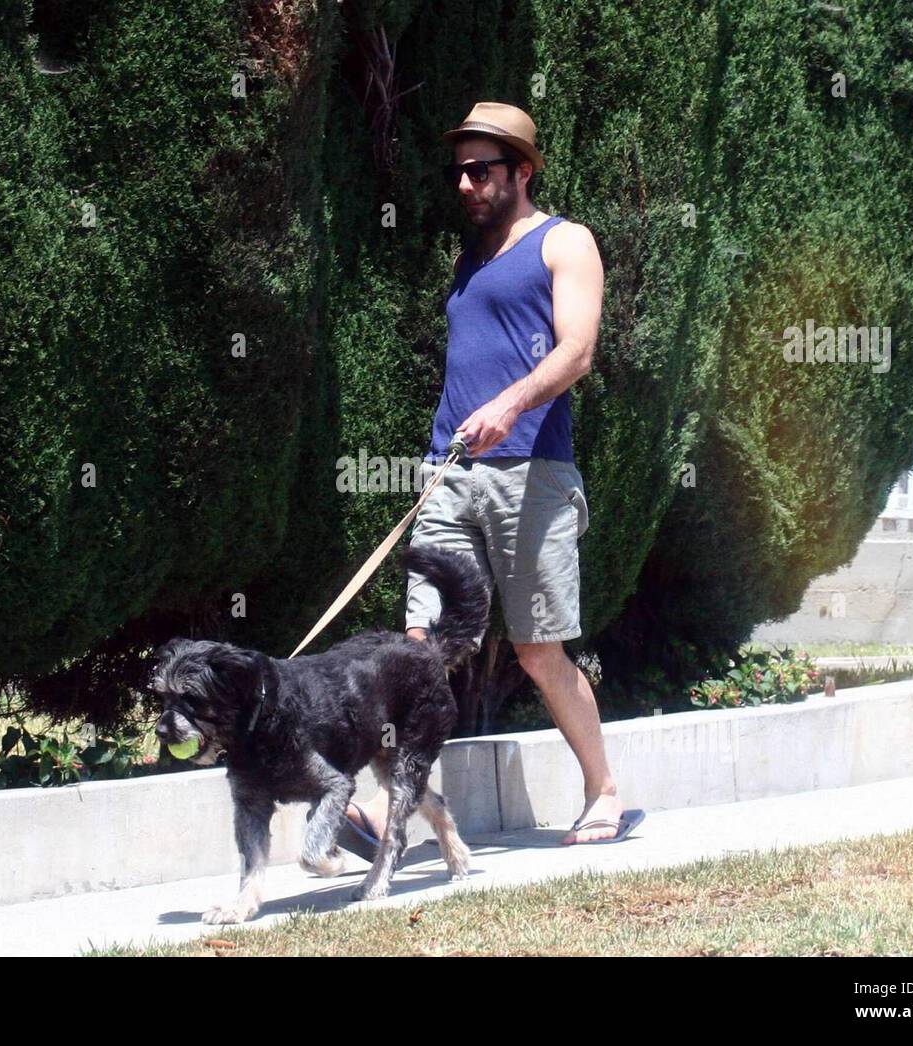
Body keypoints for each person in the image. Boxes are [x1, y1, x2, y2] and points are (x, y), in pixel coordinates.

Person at [341, 102, 642, 855]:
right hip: (451, 469)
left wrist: (507, 405)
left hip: (532, 470)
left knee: (539, 649)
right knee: (420, 642)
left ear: (523, 171)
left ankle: (603, 788)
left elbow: (577, 351)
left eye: (483, 170)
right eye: (460, 172)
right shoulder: (469, 261)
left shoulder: (565, 241)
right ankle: (396, 809)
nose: (467, 184)